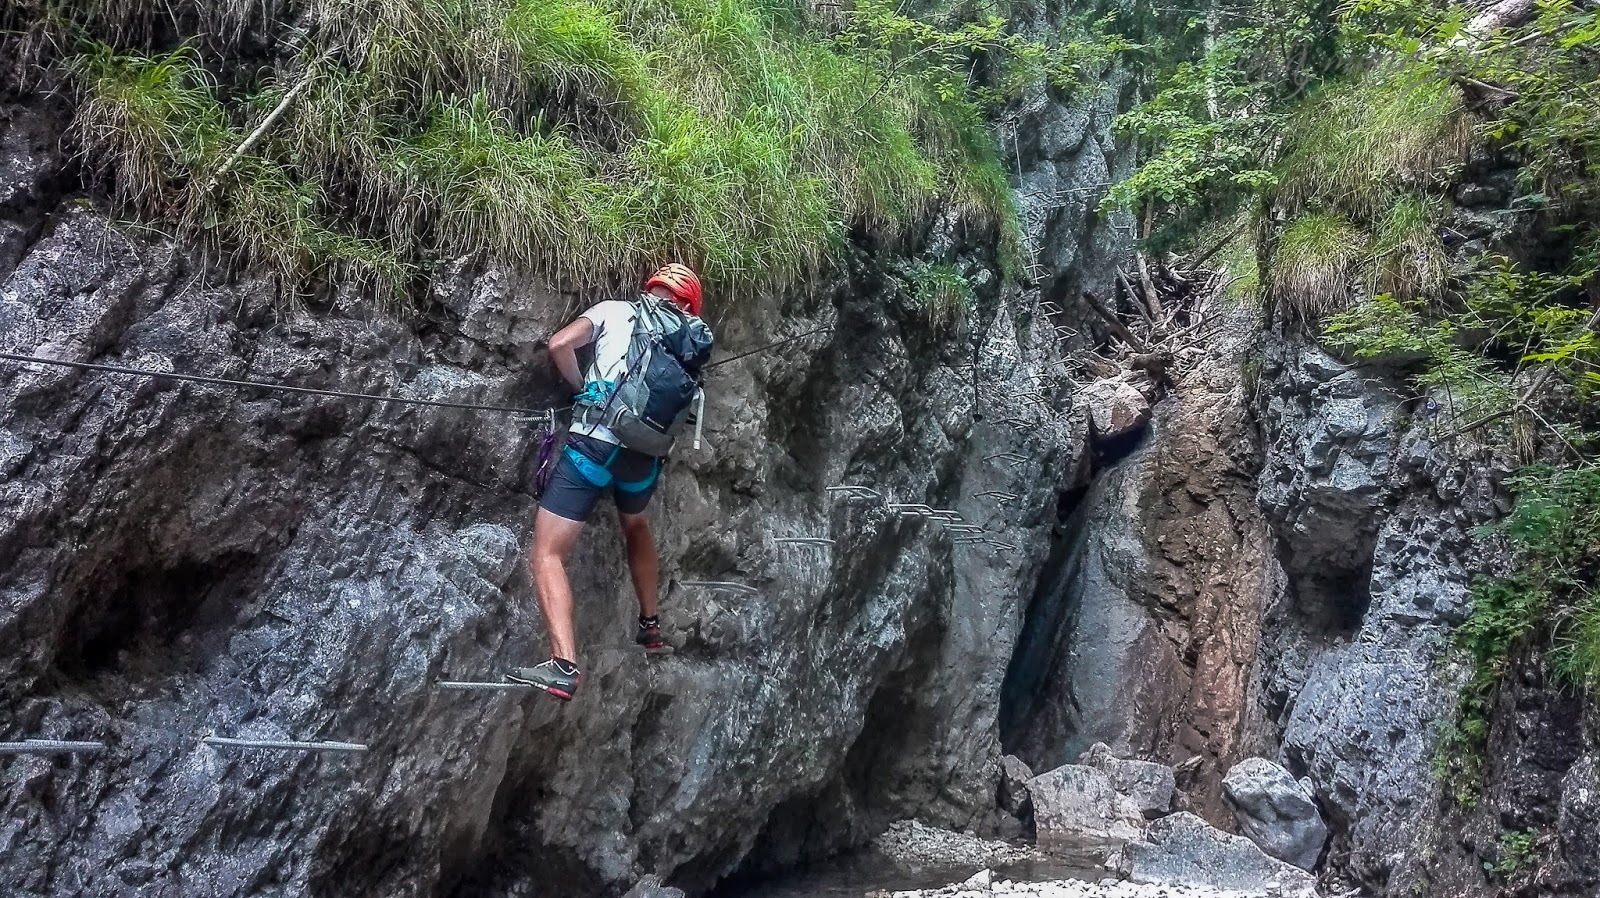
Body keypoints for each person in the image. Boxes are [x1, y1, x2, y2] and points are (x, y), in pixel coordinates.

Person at [507, 264, 710, 700]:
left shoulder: (616, 311)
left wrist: (585, 390)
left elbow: (559, 344)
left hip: (593, 446)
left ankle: (563, 665)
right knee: (636, 524)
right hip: (643, 458)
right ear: (688, 305)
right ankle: (651, 626)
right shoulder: (689, 342)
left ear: (650, 289)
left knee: (548, 552)